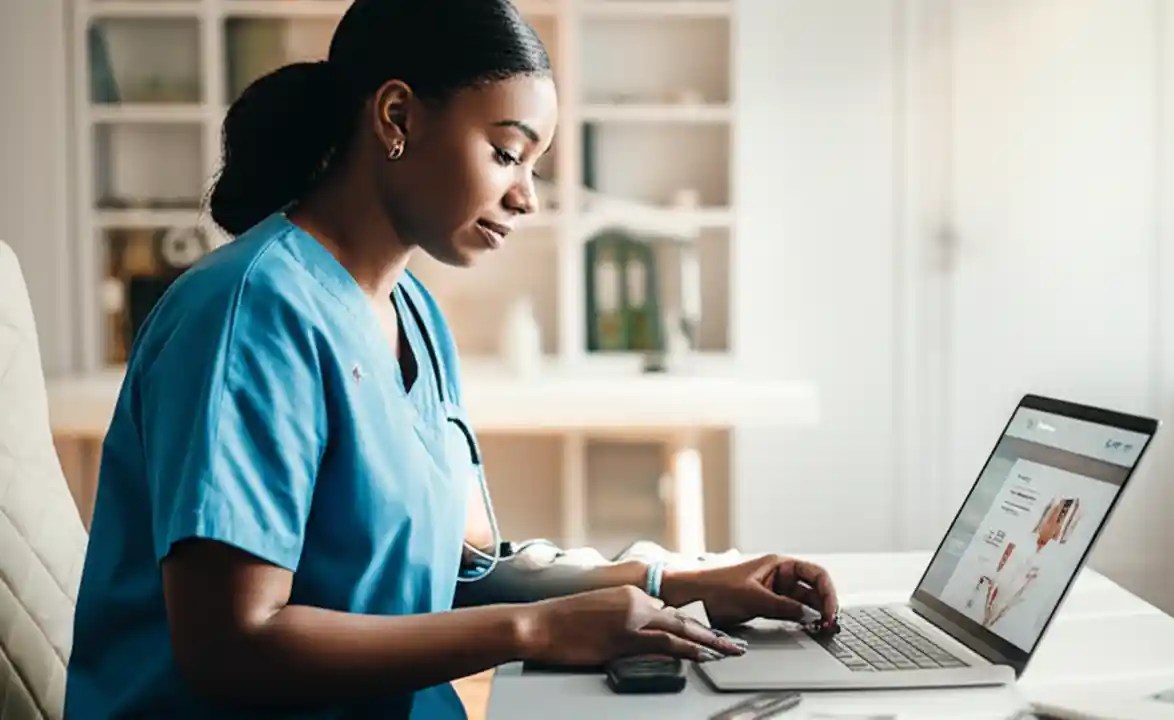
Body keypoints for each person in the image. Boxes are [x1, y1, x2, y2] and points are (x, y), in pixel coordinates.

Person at [65, 1, 838, 717]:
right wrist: (534, 630)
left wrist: (678, 583)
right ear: (397, 117)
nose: (527, 197)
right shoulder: (248, 315)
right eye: (506, 153)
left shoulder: (412, 313)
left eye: (532, 166)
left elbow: (463, 571)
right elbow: (233, 647)